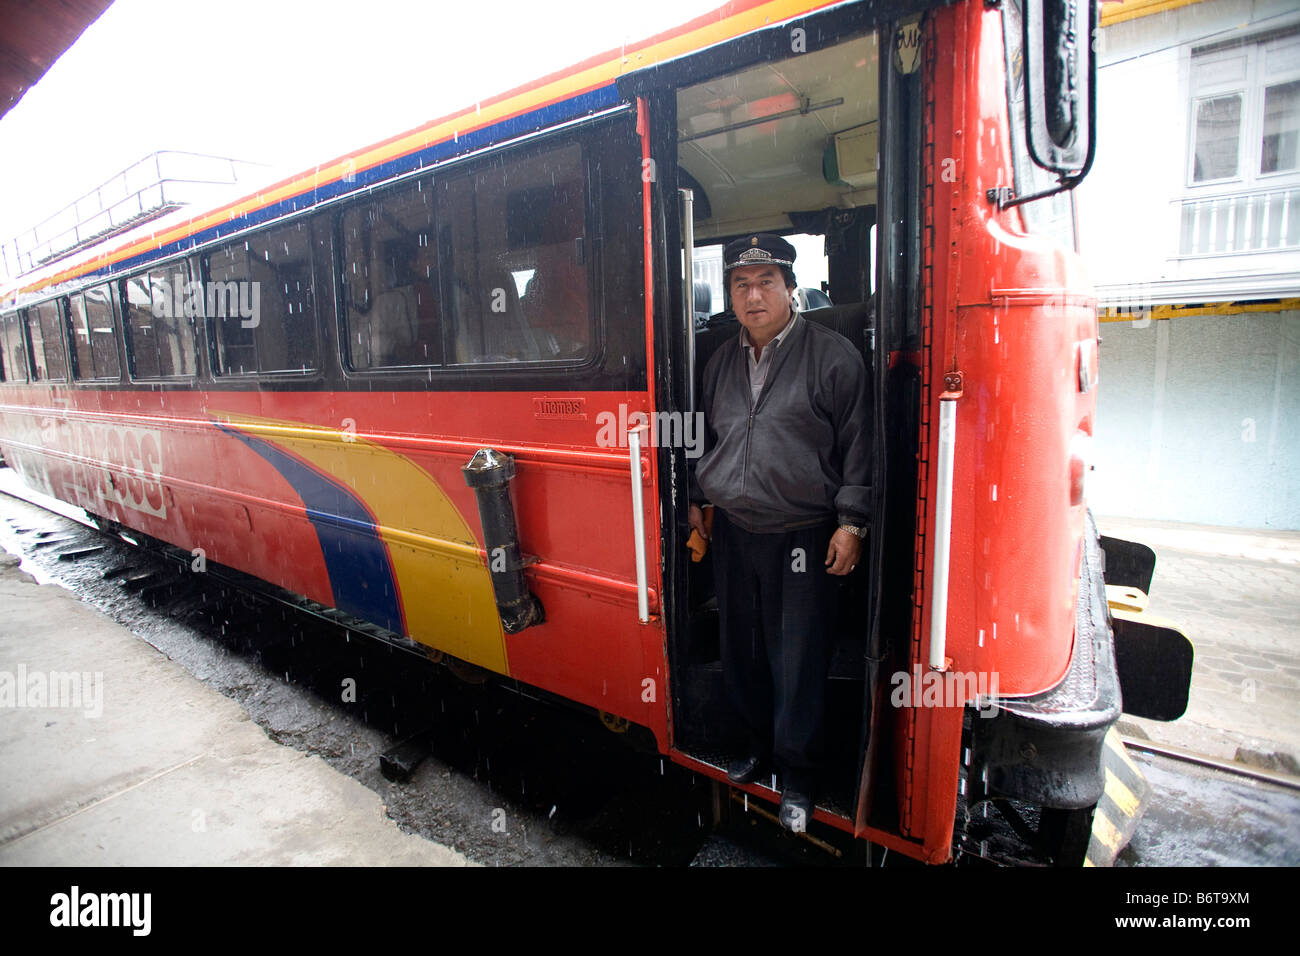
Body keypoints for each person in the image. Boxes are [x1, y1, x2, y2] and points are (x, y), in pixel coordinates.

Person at [688, 233, 870, 831]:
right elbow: (701, 439)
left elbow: (860, 446)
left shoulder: (833, 356)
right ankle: (754, 747)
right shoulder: (719, 360)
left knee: (796, 657)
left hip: (803, 532)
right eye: (741, 284)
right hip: (735, 530)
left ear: (791, 288)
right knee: (741, 649)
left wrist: (851, 522)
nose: (753, 294)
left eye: (766, 281)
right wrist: (696, 500)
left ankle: (798, 774)